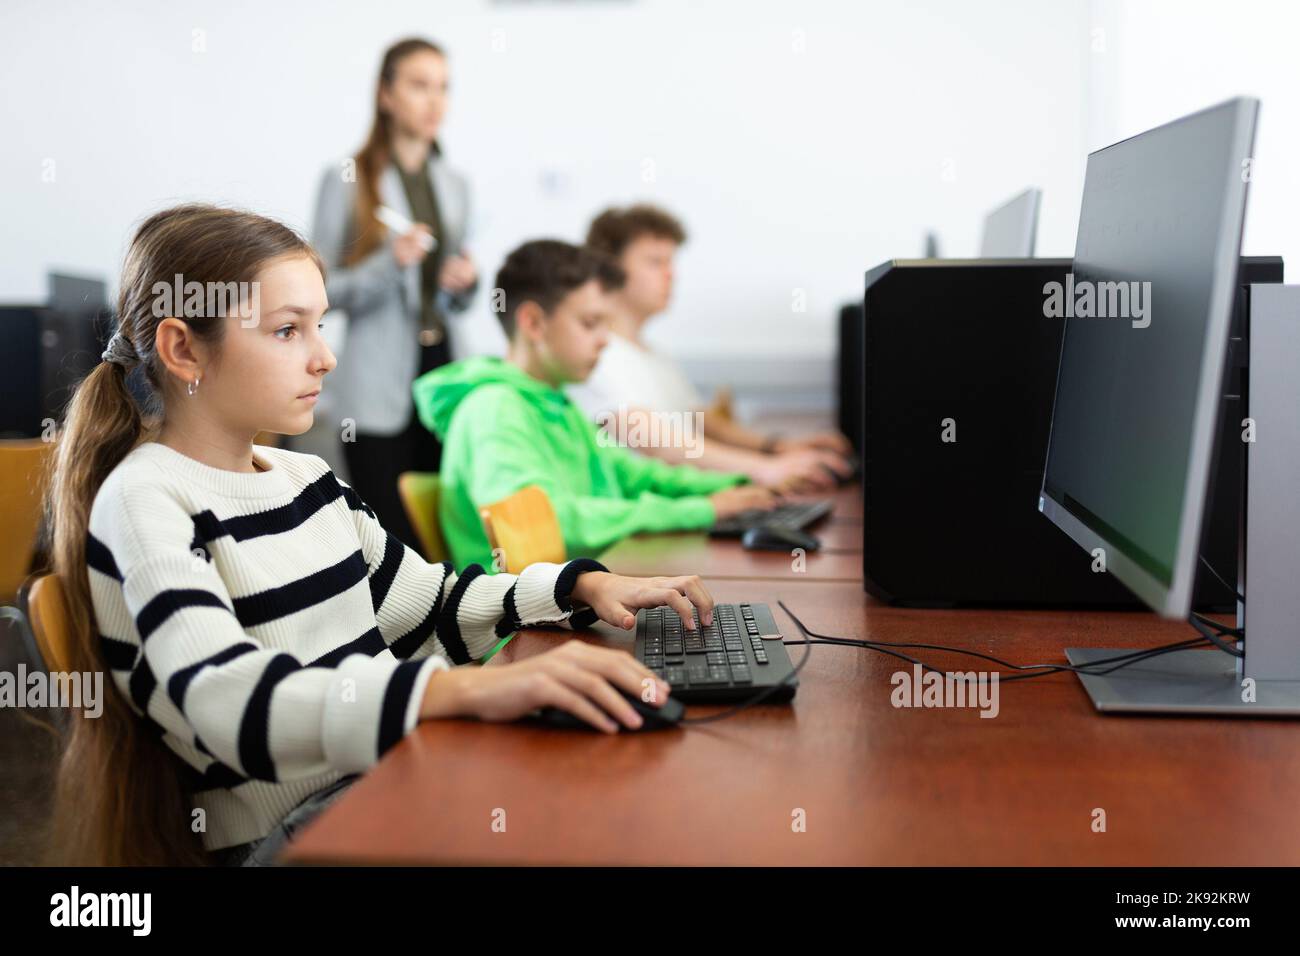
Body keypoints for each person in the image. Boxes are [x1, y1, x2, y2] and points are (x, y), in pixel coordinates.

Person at [44, 205, 714, 866]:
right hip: (291, 831)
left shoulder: (306, 478)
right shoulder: (145, 499)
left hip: (380, 776)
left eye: (320, 326)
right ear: (183, 348)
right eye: (287, 332)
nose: (325, 358)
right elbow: (227, 701)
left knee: (617, 797)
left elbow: (432, 607)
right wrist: (472, 692)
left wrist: (579, 587)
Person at [414, 239, 780, 571]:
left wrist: (738, 483)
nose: (605, 341)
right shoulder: (492, 411)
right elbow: (551, 523)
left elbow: (632, 475)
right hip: (524, 630)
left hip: (579, 591)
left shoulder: (555, 400)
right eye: (590, 324)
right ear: (534, 323)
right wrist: (700, 510)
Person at [310, 37, 479, 551]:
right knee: (396, 545)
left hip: (443, 369)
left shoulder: (454, 183)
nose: (435, 102)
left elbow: (450, 297)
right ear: (386, 94)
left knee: (445, 538)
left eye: (444, 88)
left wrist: (464, 283)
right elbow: (317, 290)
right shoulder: (347, 179)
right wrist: (390, 263)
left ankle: (452, 634)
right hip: (377, 386)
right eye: (419, 85)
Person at [572, 204, 855, 490]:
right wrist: (765, 469)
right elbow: (658, 444)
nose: (671, 275)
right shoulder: (595, 354)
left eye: (672, 263)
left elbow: (700, 422)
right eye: (656, 262)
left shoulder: (655, 355)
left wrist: (776, 447)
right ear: (611, 270)